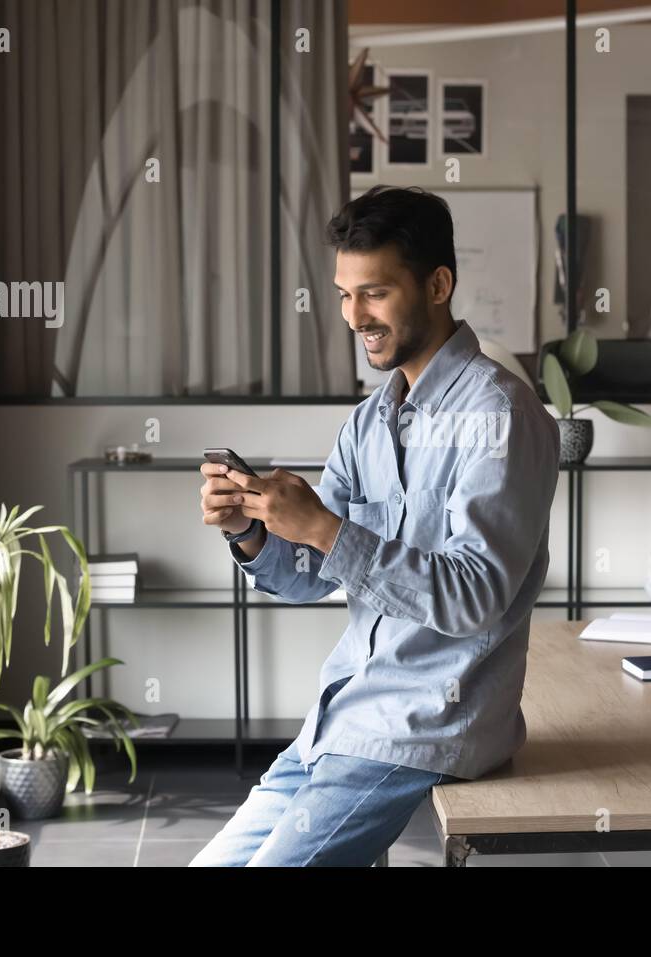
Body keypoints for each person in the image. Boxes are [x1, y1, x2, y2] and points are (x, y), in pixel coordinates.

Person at [189, 185, 560, 866]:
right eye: (343, 293)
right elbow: (307, 579)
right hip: (342, 718)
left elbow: (473, 597)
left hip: (425, 727)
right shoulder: (368, 421)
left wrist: (327, 527)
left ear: (438, 283)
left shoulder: (502, 417)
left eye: (375, 293)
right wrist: (253, 529)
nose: (354, 315)